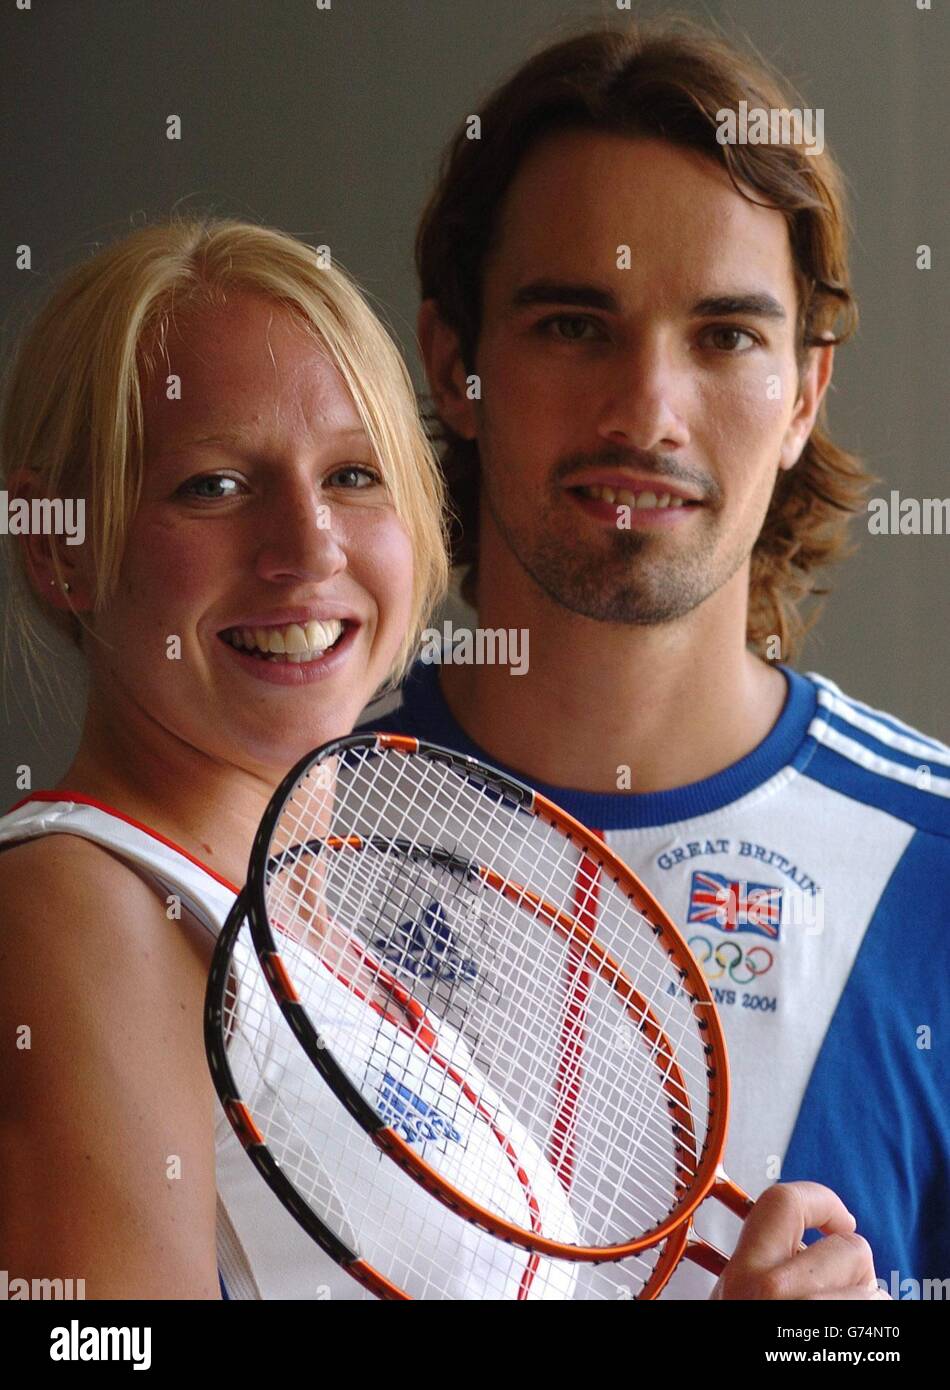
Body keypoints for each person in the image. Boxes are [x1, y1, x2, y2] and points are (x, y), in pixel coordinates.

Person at [0, 215, 881, 1301]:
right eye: (213, 486)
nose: (308, 547)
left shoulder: (311, 930)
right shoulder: (81, 906)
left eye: (355, 475)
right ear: (59, 549)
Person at [362, 19, 948, 1299]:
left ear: (803, 393)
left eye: (726, 334)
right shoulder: (271, 842)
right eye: (574, 324)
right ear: (456, 366)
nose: (645, 410)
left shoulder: (934, 869)